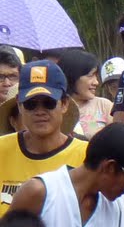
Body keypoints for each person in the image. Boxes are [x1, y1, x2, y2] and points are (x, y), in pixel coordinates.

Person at [0, 61, 87, 211]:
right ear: (19, 106)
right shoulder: (2, 150)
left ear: (64, 104)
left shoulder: (86, 156)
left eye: (48, 103)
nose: (39, 111)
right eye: (31, 104)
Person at [56, 48, 113, 138]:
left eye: (96, 76)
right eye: (90, 75)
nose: (96, 82)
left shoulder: (104, 106)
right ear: (72, 76)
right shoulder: (54, 108)